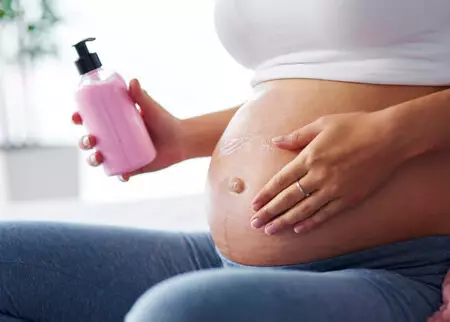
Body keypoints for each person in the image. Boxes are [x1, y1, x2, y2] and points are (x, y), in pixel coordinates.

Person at [2, 1, 450, 321]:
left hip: (401, 268)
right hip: (221, 258)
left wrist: (393, 134)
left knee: (179, 312)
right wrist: (179, 138)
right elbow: (300, 87)